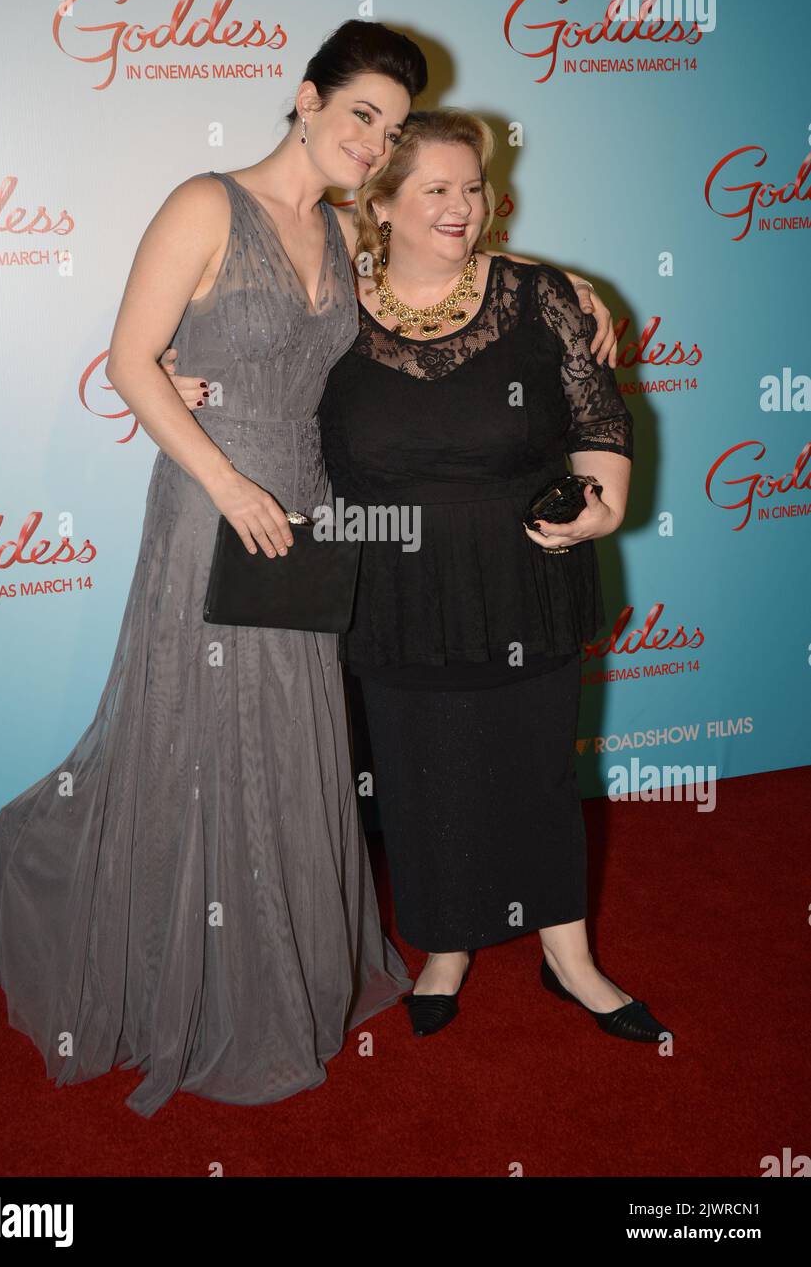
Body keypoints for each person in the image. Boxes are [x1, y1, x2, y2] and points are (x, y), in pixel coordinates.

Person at [0, 20, 425, 1117]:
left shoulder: (345, 231)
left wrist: (569, 301)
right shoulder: (206, 203)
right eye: (363, 113)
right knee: (197, 729)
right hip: (216, 506)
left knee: (289, 736)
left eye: (392, 130)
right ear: (305, 99)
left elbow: (425, 300)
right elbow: (129, 357)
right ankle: (146, 948)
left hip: (303, 504)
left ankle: (275, 965)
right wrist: (225, 481)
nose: (375, 142)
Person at [162, 110, 669, 1045]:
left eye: (472, 186)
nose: (461, 206)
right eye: (434, 189)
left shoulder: (541, 293)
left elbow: (597, 417)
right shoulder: (331, 306)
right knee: (418, 777)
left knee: (538, 774)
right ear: (379, 206)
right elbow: (245, 355)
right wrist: (173, 365)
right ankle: (443, 948)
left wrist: (599, 503)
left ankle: (569, 956)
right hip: (389, 581)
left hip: (524, 569)